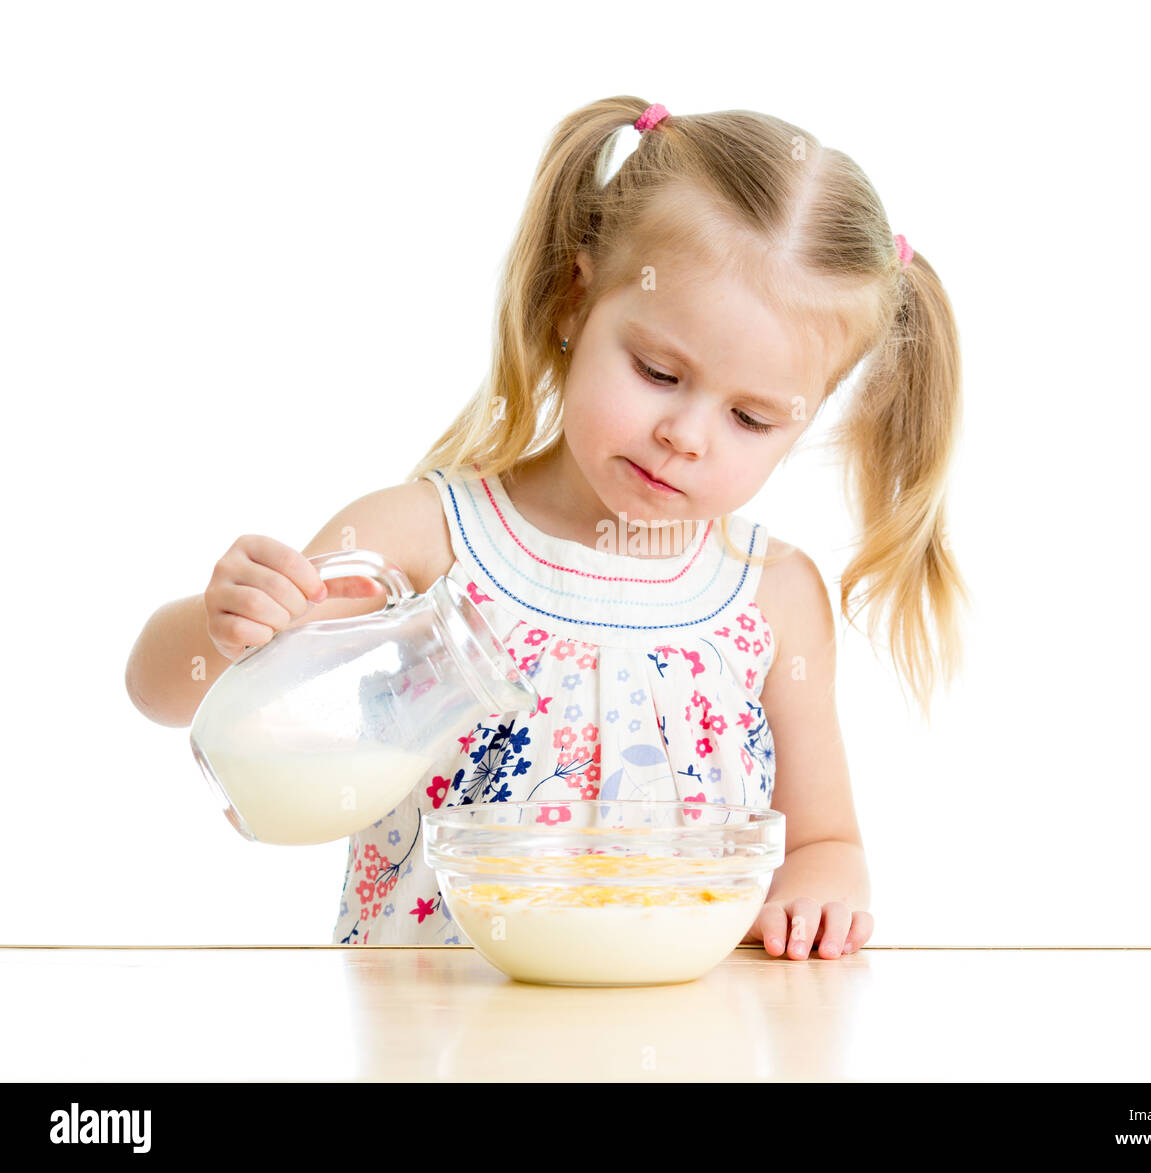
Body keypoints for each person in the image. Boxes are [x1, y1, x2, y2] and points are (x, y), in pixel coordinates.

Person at [125, 96, 969, 960]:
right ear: (576, 300)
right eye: (657, 370)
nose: (686, 435)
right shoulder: (423, 542)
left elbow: (827, 841)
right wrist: (225, 624)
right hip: (437, 1040)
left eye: (752, 418)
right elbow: (162, 689)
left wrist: (824, 888)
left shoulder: (774, 597)